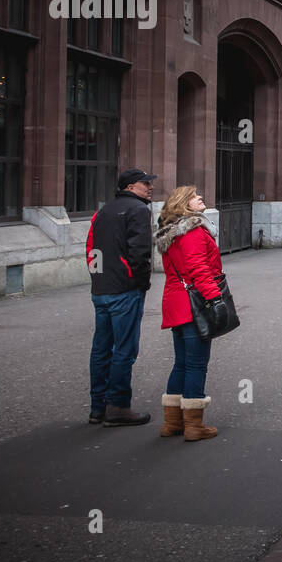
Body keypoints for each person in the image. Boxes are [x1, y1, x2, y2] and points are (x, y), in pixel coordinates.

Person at [86, 168, 156, 427]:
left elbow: (90, 247)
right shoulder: (138, 211)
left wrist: (97, 279)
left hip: (102, 289)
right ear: (129, 186)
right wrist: (141, 283)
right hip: (124, 290)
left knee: (101, 349)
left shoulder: (103, 211)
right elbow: (140, 252)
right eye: (145, 183)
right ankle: (118, 406)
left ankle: (97, 408)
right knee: (124, 349)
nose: (150, 187)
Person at [155, 186, 225, 442]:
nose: (201, 198)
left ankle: (172, 423)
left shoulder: (172, 232)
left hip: (176, 301)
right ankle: (194, 426)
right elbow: (198, 269)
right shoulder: (192, 231)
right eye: (195, 197)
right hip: (193, 303)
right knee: (196, 364)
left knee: (182, 363)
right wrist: (215, 299)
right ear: (184, 204)